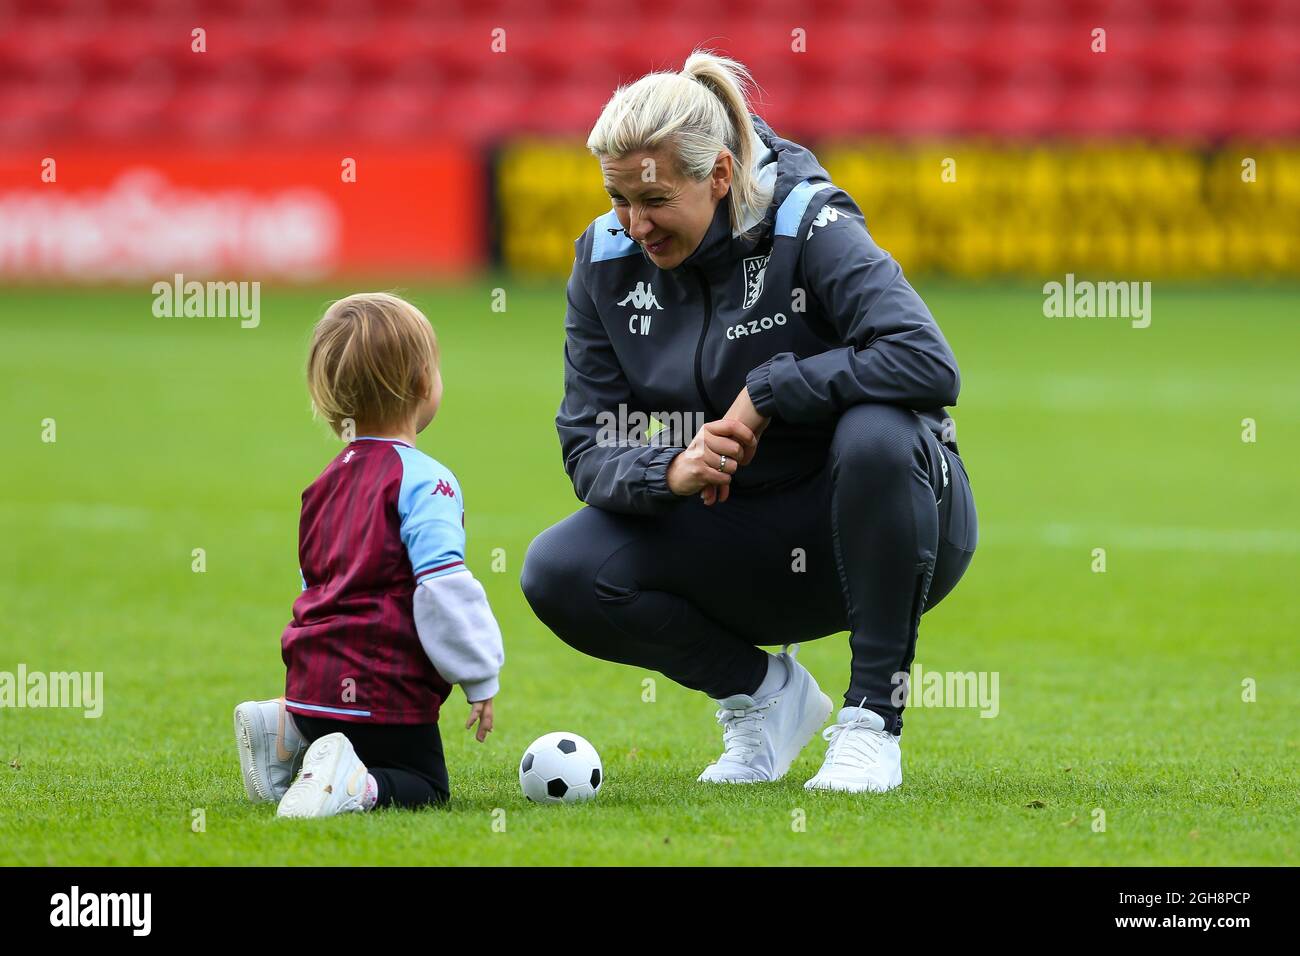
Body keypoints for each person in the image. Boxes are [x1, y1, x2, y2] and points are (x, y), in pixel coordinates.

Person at [521, 50, 977, 793]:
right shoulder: (602, 260)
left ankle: (870, 724)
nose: (635, 223)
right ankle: (765, 701)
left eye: (655, 199)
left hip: (880, 521)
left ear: (721, 176)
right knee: (559, 571)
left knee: (880, 436)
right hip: (736, 534)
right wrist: (667, 469)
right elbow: (586, 441)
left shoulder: (810, 221)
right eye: (616, 198)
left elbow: (926, 361)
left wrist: (772, 390)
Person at [233, 292, 504, 817]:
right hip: (382, 696)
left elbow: (316, 581)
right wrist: (479, 675)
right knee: (425, 784)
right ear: (425, 383)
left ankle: (286, 731)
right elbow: (442, 586)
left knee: (333, 721)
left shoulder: (324, 481)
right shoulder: (428, 482)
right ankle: (350, 778)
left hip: (311, 679)